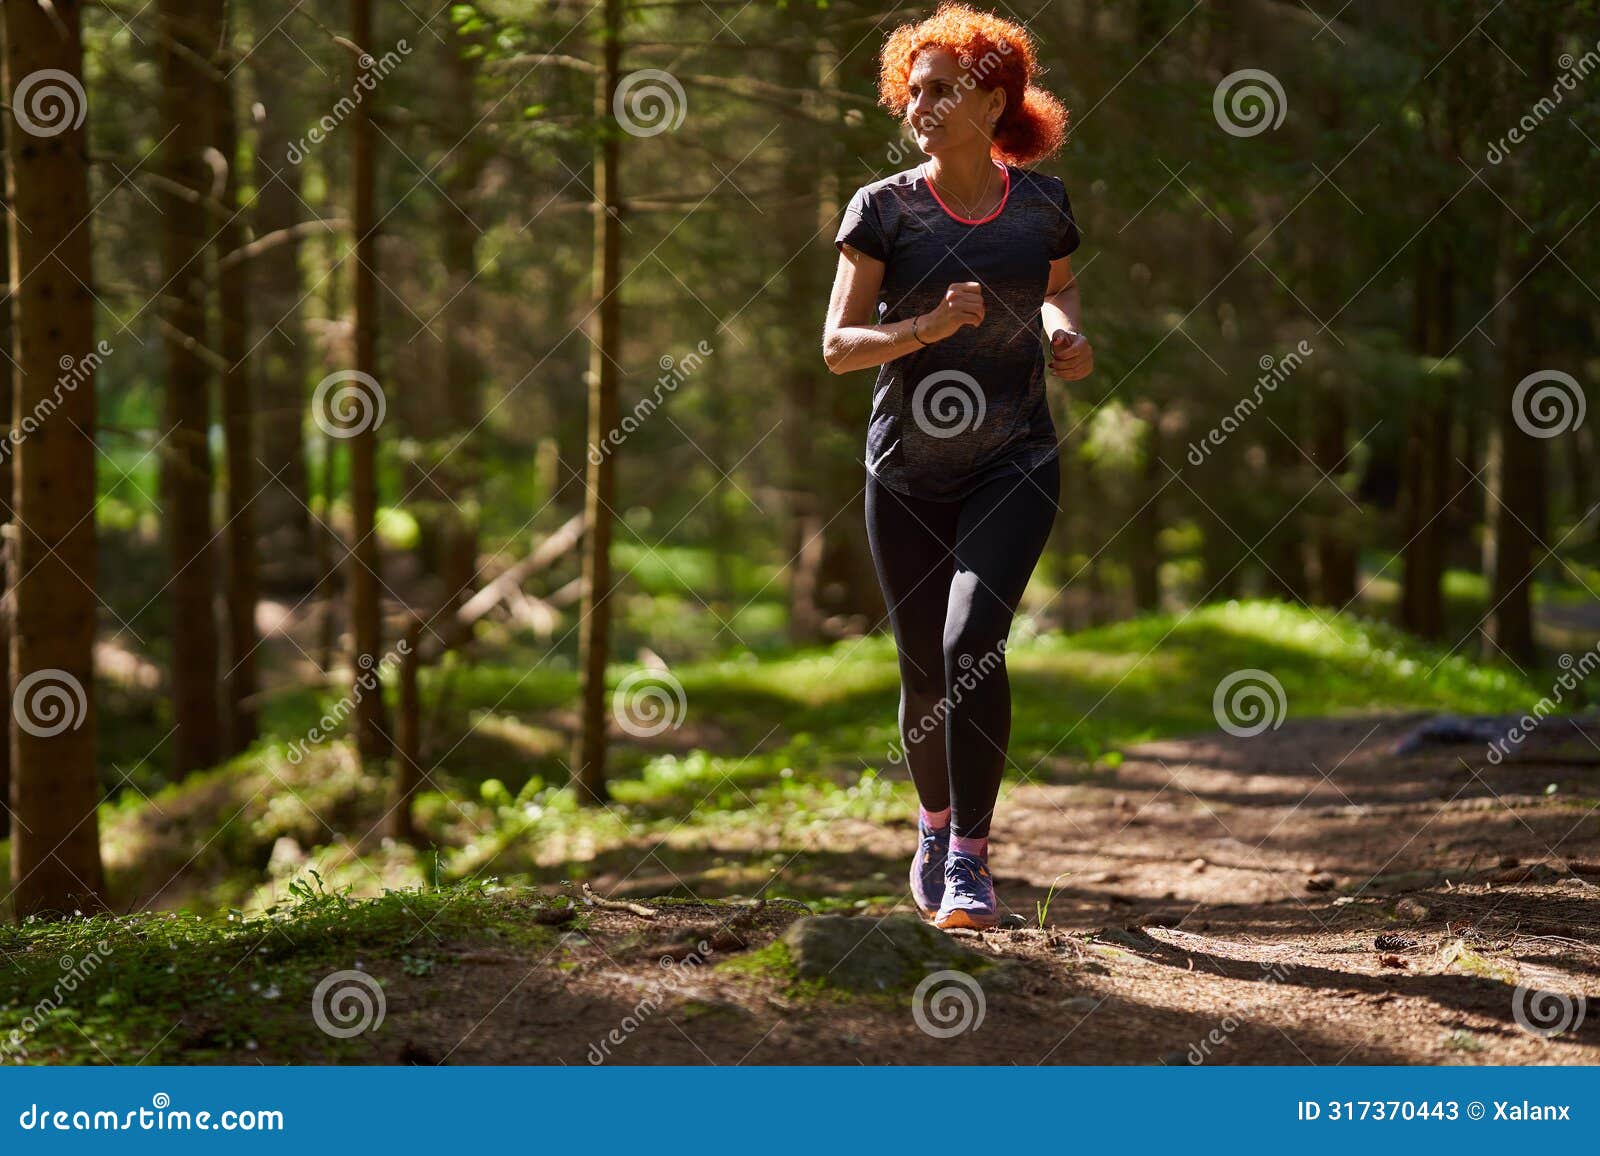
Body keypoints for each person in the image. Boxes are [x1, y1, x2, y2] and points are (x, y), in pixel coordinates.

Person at [821, 2, 1093, 930]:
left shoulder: (1043, 205)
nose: (919, 105)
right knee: (923, 672)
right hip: (904, 469)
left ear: (994, 97)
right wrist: (927, 326)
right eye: (914, 89)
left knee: (970, 642)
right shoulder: (884, 209)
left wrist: (1066, 334)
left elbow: (1056, 289)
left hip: (1014, 457)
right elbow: (836, 346)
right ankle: (932, 827)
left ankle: (972, 859)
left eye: (942, 90)